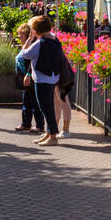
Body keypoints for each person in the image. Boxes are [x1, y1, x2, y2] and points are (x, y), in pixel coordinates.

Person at [20, 15, 66, 146]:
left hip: (41, 79)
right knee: (48, 106)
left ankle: (53, 136)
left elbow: (24, 54)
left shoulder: (40, 43)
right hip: (53, 77)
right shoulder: (55, 39)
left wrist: (28, 40)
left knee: (45, 108)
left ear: (36, 30)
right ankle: (48, 133)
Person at [13, 22, 45, 134]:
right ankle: (26, 124)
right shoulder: (28, 43)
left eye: (20, 34)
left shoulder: (34, 44)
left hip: (31, 76)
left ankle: (40, 125)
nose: (18, 36)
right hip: (25, 77)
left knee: (35, 102)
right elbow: (23, 52)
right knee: (26, 101)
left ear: (27, 34)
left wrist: (29, 74)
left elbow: (32, 60)